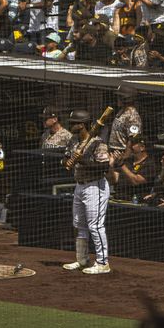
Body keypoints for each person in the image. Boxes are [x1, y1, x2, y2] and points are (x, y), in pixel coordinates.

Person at [62, 110, 113, 274]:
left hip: (95, 186)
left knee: (95, 225)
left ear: (82, 125)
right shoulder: (73, 140)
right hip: (79, 185)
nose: (70, 125)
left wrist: (82, 160)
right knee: (79, 224)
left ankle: (103, 263)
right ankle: (82, 260)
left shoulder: (98, 143)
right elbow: (65, 157)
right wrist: (67, 161)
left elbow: (104, 167)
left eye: (73, 123)